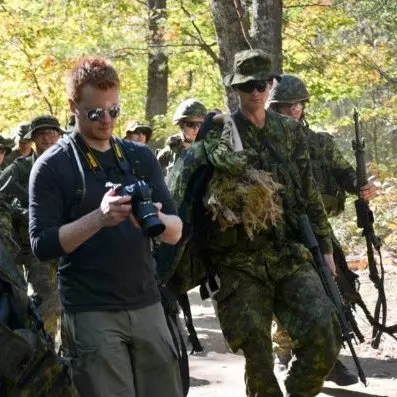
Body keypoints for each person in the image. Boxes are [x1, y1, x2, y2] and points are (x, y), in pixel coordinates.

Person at [164, 49, 342, 397]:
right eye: (247, 86)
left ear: (271, 85)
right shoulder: (218, 135)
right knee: (258, 358)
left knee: (326, 335)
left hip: (288, 252)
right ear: (236, 89)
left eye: (261, 84)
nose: (256, 92)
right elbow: (186, 190)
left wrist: (326, 249)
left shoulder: (291, 132)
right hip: (238, 262)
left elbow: (309, 196)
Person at [29, 56, 183, 397]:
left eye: (114, 110)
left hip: (146, 303)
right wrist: (99, 218)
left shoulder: (139, 157)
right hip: (91, 310)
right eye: (96, 113)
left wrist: (156, 216)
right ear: (73, 106)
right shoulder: (52, 166)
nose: (107, 120)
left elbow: (176, 230)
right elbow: (43, 244)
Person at [268, 73, 378, 385]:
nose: (292, 112)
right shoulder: (263, 146)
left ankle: (328, 357)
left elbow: (345, 174)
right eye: (283, 107)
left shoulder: (318, 143)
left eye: (296, 106)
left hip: (318, 230)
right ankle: (285, 354)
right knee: (290, 298)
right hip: (280, 234)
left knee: (338, 289)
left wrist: (361, 186)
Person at [0, 115, 63, 341]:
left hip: (71, 241)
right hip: (38, 246)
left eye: (52, 133)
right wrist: (17, 212)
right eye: (42, 134)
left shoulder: (71, 165)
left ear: (59, 137)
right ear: (33, 138)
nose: (47, 137)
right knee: (47, 300)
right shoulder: (21, 168)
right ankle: (47, 357)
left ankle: (72, 359)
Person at [157, 98, 206, 176]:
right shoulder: (168, 154)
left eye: (201, 124)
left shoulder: (212, 151)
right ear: (181, 125)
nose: (196, 129)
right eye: (191, 124)